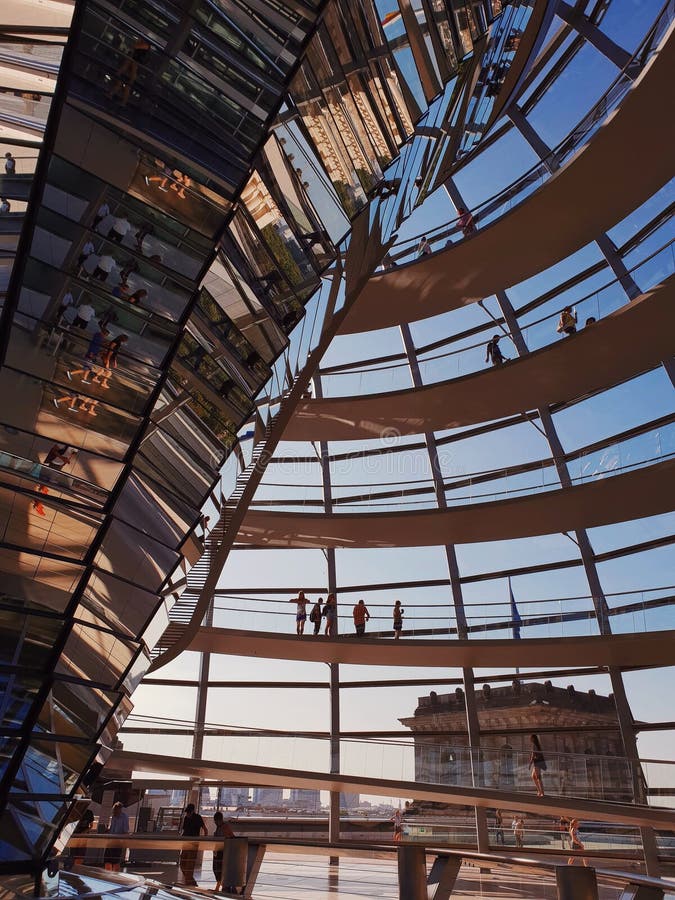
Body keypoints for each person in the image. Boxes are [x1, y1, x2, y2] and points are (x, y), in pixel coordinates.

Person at [108, 36, 151, 106]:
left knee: (126, 86)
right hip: (131, 68)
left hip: (133, 68)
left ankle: (118, 98)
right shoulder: (138, 53)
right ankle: (113, 95)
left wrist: (120, 72)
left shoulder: (145, 46)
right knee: (123, 84)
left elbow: (135, 46)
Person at [179, 803, 206, 886]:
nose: (187, 814)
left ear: (192, 811)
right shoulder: (186, 818)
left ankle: (189, 882)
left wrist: (205, 840)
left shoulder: (198, 818)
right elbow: (184, 830)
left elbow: (205, 829)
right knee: (182, 863)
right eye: (187, 813)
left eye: (189, 812)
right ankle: (191, 881)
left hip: (193, 844)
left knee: (190, 864)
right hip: (186, 843)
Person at [212, 811, 235, 893]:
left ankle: (221, 886)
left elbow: (232, 837)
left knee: (220, 869)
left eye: (216, 821)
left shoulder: (225, 827)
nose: (215, 822)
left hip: (223, 852)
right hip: (218, 851)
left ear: (219, 820)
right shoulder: (219, 827)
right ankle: (219, 886)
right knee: (216, 869)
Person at [104, 801, 129, 872]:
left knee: (115, 860)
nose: (114, 811)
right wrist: (107, 830)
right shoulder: (113, 817)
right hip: (110, 840)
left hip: (118, 841)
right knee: (107, 859)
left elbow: (125, 830)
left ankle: (115, 874)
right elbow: (112, 828)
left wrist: (122, 841)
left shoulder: (124, 817)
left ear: (120, 809)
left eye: (116, 809)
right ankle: (108, 873)